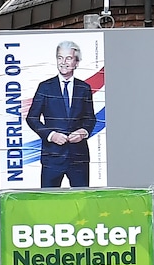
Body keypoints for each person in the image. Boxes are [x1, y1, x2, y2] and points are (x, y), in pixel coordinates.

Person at [24, 41, 98, 188]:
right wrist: (51, 135)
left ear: (76, 62)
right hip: (52, 157)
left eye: (68, 58)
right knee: (49, 202)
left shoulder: (84, 88)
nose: (63, 62)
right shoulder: (45, 87)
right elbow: (32, 118)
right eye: (60, 58)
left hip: (78, 157)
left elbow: (90, 118)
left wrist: (83, 132)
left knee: (82, 201)